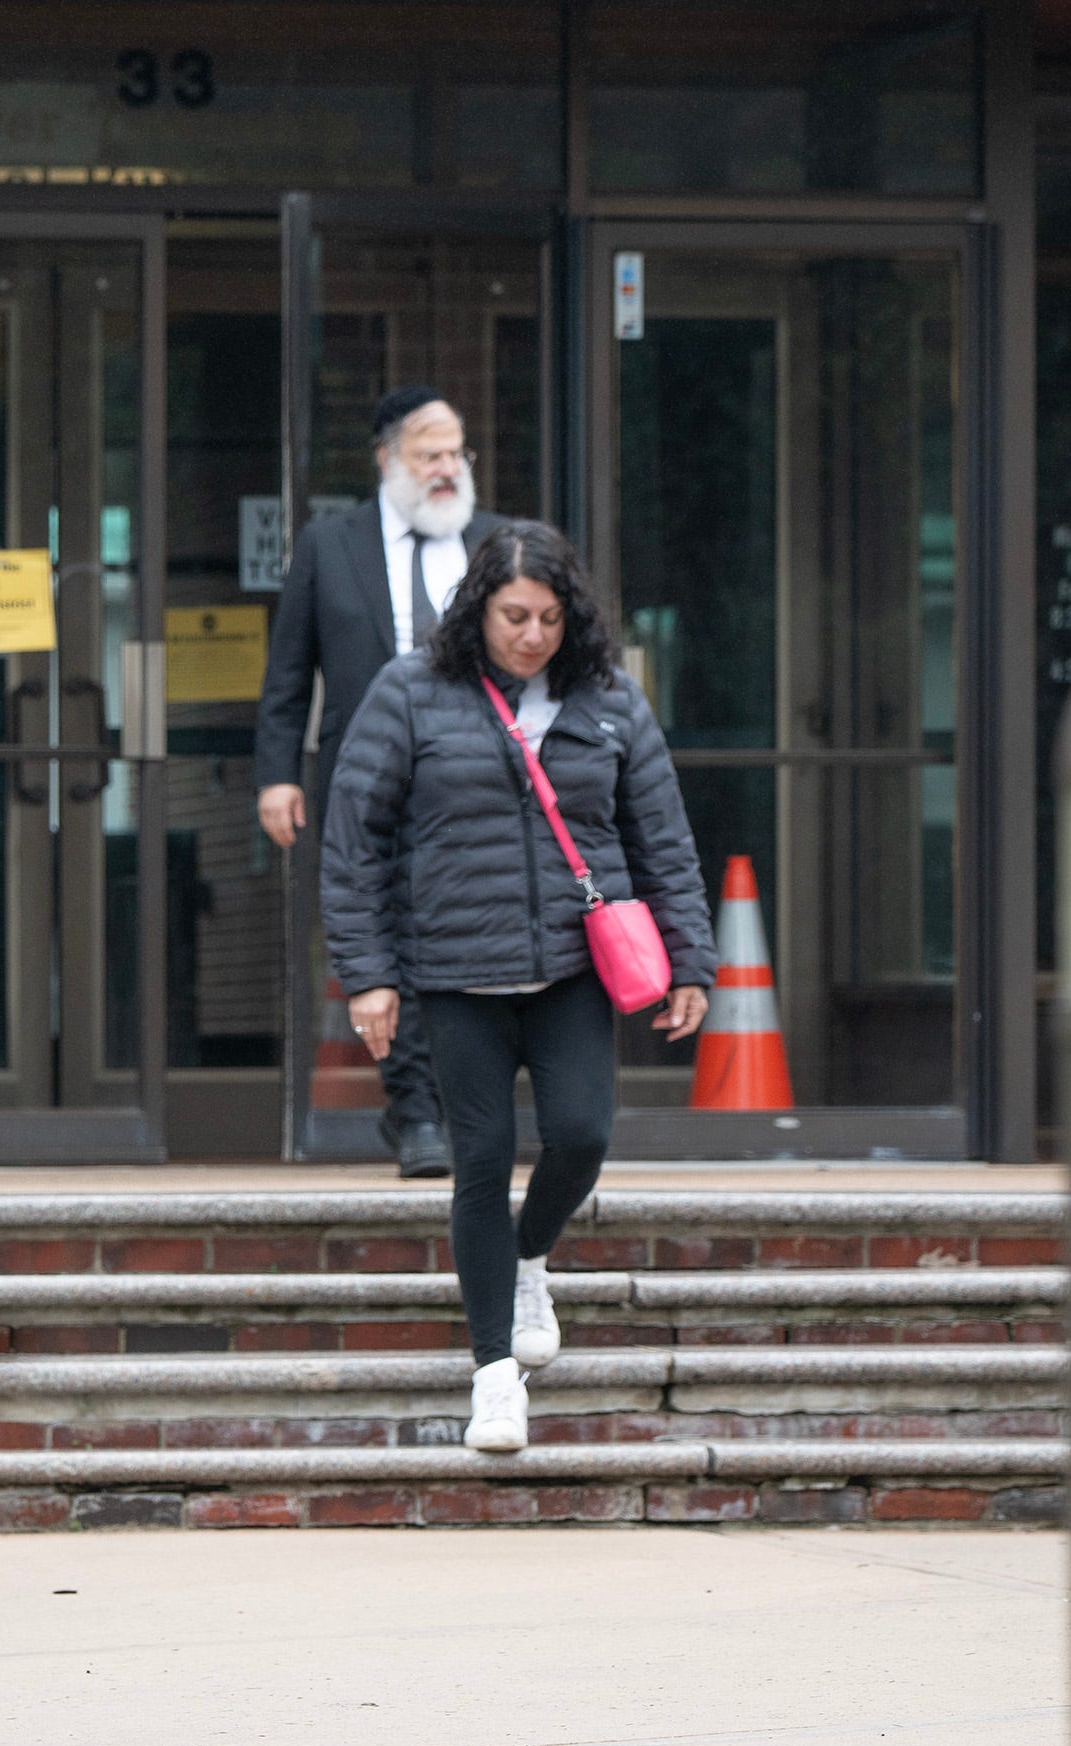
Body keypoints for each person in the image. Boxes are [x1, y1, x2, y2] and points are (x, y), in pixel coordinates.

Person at [319, 520, 713, 1454]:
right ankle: (494, 1377)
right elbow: (354, 843)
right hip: (458, 972)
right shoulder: (412, 693)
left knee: (582, 1136)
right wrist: (368, 975)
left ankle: (531, 1250)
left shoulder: (609, 698)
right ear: (478, 611)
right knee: (481, 1162)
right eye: (512, 617)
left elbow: (663, 837)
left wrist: (691, 962)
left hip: (577, 967)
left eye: (547, 618)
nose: (531, 636)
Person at [254, 384, 502, 1178]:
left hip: (481, 779)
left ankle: (444, 1104)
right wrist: (276, 777)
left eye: (456, 453)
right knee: (385, 941)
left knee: (462, 942)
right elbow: (288, 675)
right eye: (428, 453)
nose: (445, 468)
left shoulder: (501, 545)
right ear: (387, 460)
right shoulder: (332, 545)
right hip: (368, 775)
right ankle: (418, 1110)